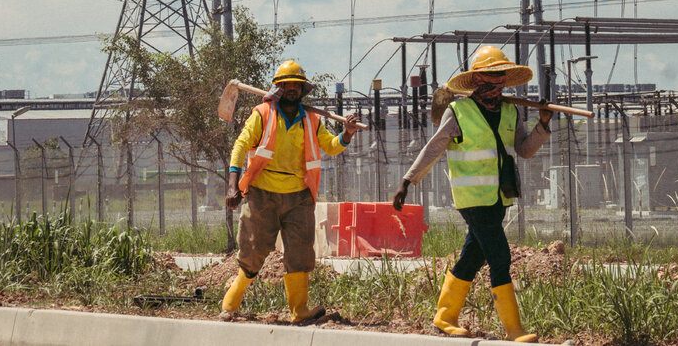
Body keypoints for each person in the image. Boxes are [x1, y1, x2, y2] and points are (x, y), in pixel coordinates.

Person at [392, 46, 551, 343]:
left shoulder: (509, 111)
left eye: (500, 76)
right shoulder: (458, 112)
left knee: (472, 258)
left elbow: (525, 150)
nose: (497, 82)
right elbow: (434, 148)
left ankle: (444, 316)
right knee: (500, 257)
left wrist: (542, 124)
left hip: (500, 197)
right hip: (472, 200)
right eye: (490, 76)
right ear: (477, 79)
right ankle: (513, 329)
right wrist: (407, 181)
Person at [220, 60, 360, 322]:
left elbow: (330, 146)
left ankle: (299, 310)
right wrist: (232, 184)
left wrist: (347, 134)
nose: (293, 90)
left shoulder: (311, 119)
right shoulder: (262, 114)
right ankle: (231, 303)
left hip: (298, 196)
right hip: (262, 194)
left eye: (297, 86)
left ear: (303, 91)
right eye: (288, 85)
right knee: (253, 251)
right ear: (279, 88)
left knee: (300, 251)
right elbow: (240, 146)